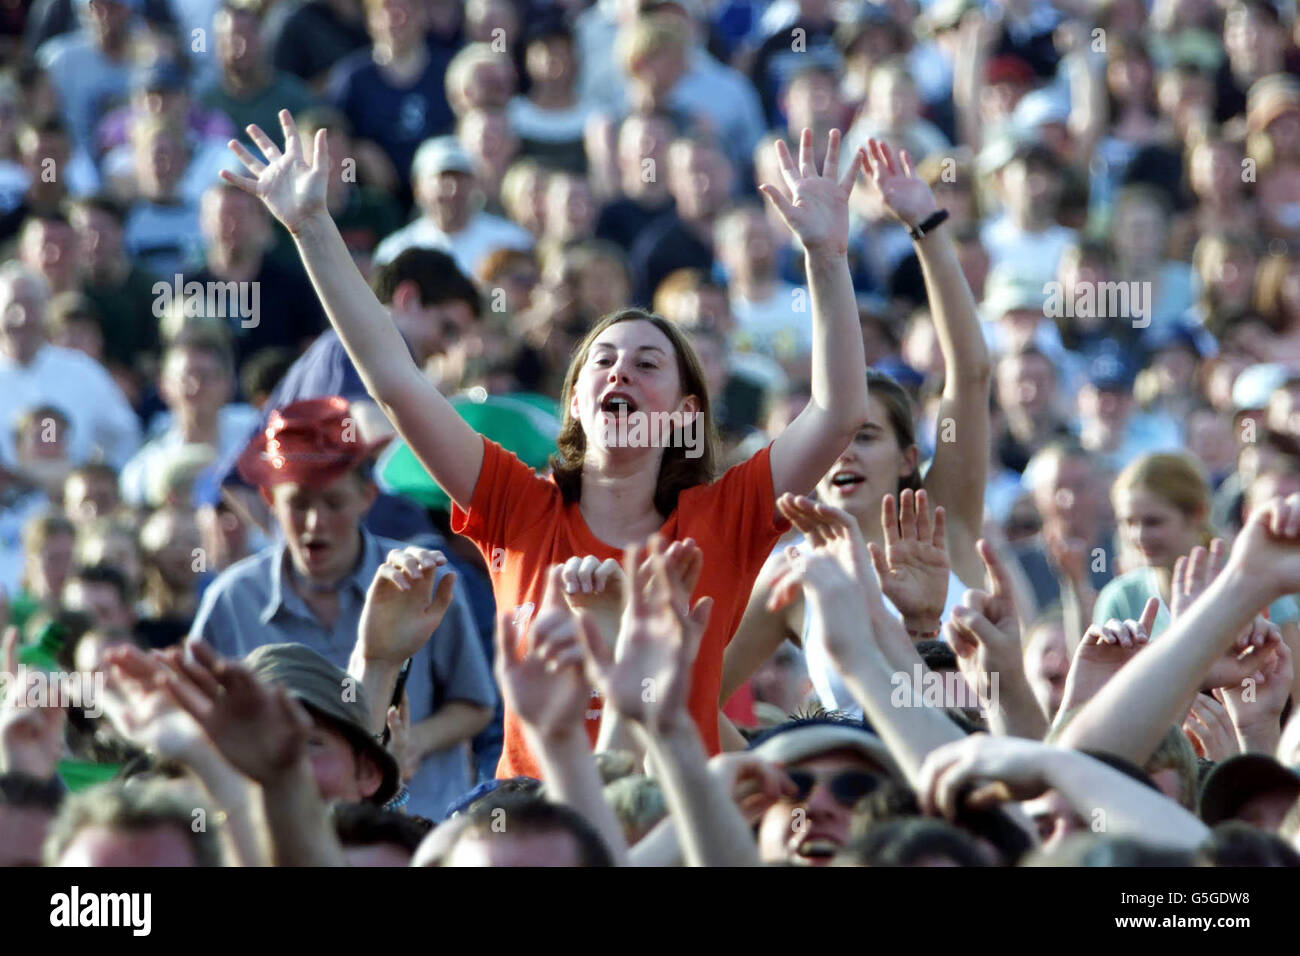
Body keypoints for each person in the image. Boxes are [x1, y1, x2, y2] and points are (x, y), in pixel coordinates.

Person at [219, 112, 872, 779]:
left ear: (685, 414)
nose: (620, 371)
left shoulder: (727, 515)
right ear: (574, 402)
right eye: (604, 362)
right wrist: (311, 227)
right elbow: (396, 380)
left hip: (681, 823)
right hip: (530, 828)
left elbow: (839, 410)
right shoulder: (515, 504)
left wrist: (825, 255)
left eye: (648, 365)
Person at [721, 150, 991, 719]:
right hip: (858, 801)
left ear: (908, 456)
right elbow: (695, 701)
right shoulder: (795, 573)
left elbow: (968, 374)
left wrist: (926, 225)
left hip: (971, 789)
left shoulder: (949, 520)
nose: (843, 450)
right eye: (834, 438)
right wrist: (776, 762)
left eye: (866, 436)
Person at [190, 397, 494, 819]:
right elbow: (201, 727)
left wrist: (409, 745)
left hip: (421, 834)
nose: (315, 522)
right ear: (269, 499)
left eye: (333, 503)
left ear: (367, 497)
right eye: (298, 503)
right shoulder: (232, 599)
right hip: (289, 837)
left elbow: (477, 705)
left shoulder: (419, 581)